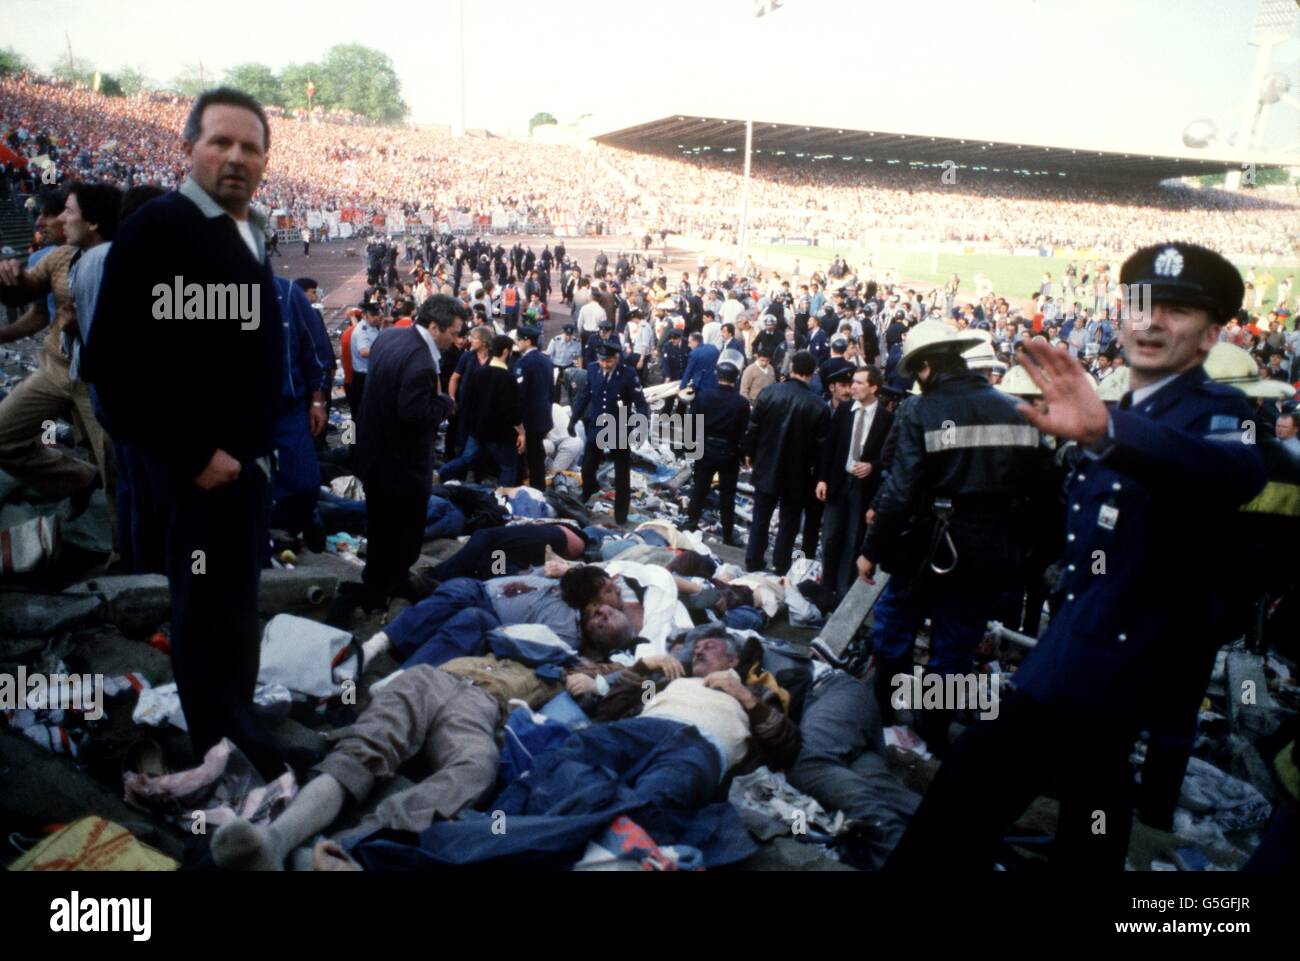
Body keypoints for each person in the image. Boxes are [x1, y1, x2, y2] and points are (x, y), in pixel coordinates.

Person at [886, 243, 1267, 871]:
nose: (1151, 322)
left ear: (1210, 336)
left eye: (1176, 310)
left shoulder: (1224, 411)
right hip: (1086, 640)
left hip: (1109, 657)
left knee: (975, 780)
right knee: (1096, 797)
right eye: (1141, 305)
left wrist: (1106, 434)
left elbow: (1235, 470)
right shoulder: (1119, 409)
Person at [83, 88, 285, 776]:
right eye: (220, 142)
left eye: (249, 146)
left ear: (264, 160)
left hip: (244, 465)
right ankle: (218, 743)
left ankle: (237, 724)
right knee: (205, 610)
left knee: (235, 605)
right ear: (188, 148)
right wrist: (196, 453)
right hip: (203, 469)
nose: (235, 157)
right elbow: (111, 361)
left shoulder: (247, 230)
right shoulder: (162, 226)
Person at [855, 320, 1041, 755]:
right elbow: (1040, 495)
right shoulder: (1016, 410)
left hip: (927, 548)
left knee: (894, 628)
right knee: (954, 649)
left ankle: (886, 713)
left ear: (925, 369)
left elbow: (900, 491)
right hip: (987, 554)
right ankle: (934, 735)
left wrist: (872, 551)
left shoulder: (920, 411)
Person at [0, 183, 123, 547]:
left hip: (98, 380)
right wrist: (6, 278)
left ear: (94, 221)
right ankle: (79, 481)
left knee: (114, 471)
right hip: (56, 368)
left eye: (68, 211)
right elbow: (26, 294)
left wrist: (83, 327)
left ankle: (124, 559)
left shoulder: (123, 261)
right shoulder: (59, 257)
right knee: (3, 436)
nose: (57, 219)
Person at [344, 294, 468, 616]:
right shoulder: (421, 361)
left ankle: (380, 584)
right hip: (401, 467)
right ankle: (386, 588)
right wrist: (444, 403)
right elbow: (413, 414)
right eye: (453, 333)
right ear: (433, 326)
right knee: (405, 534)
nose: (456, 341)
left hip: (373, 455)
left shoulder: (390, 337)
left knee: (380, 527)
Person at [741, 350, 830, 575]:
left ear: (791, 368)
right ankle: (781, 565)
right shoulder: (819, 406)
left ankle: (753, 561)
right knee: (789, 522)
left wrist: (749, 452)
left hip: (767, 464)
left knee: (760, 516)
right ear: (812, 373)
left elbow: (753, 428)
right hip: (797, 473)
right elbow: (822, 449)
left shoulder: (769, 392)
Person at [817, 366, 891, 598]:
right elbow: (830, 446)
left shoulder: (886, 419)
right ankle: (825, 587)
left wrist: (873, 466)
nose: (853, 387)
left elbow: (890, 457)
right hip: (839, 482)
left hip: (864, 488)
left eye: (859, 383)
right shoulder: (845, 410)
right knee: (830, 537)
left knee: (853, 540)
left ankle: (843, 590)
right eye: (853, 382)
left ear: (873, 388)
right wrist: (822, 478)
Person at [571, 341, 649, 526]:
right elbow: (585, 395)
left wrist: (641, 426)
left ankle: (621, 512)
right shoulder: (592, 369)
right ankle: (589, 489)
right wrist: (573, 418)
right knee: (587, 467)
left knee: (622, 471)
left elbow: (641, 403)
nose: (604, 365)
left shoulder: (628, 374)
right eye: (602, 361)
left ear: (617, 358)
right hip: (597, 423)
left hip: (619, 424)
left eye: (608, 361)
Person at [443, 335, 525, 485]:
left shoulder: (479, 373)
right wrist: (521, 432)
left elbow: (468, 400)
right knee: (508, 467)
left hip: (477, 429)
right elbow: (512, 410)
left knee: (465, 459)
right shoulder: (508, 378)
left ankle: (441, 473)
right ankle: (503, 499)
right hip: (499, 434)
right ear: (506, 352)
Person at [684, 359, 750, 545]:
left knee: (699, 489)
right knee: (727, 496)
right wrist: (743, 455)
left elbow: (692, 422)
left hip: (705, 448)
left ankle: (691, 523)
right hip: (729, 452)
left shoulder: (703, 396)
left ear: (717, 377)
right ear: (735, 379)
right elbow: (745, 432)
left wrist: (690, 447)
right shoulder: (741, 403)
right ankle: (728, 535)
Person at [514, 325, 554, 490]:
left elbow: (519, 395)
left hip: (528, 418)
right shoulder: (546, 360)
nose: (517, 342)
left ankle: (519, 487)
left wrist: (517, 421)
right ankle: (539, 488)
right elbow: (552, 391)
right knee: (537, 455)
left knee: (521, 454)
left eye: (519, 339)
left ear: (527, 341)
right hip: (543, 416)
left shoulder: (523, 363)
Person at [546, 324, 581, 402]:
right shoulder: (555, 340)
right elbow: (548, 355)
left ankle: (572, 405)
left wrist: (578, 369)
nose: (568, 337)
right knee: (555, 390)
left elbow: (578, 357)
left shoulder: (576, 342)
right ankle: (555, 405)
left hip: (568, 366)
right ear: (563, 332)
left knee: (572, 387)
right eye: (566, 335)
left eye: (570, 335)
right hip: (556, 366)